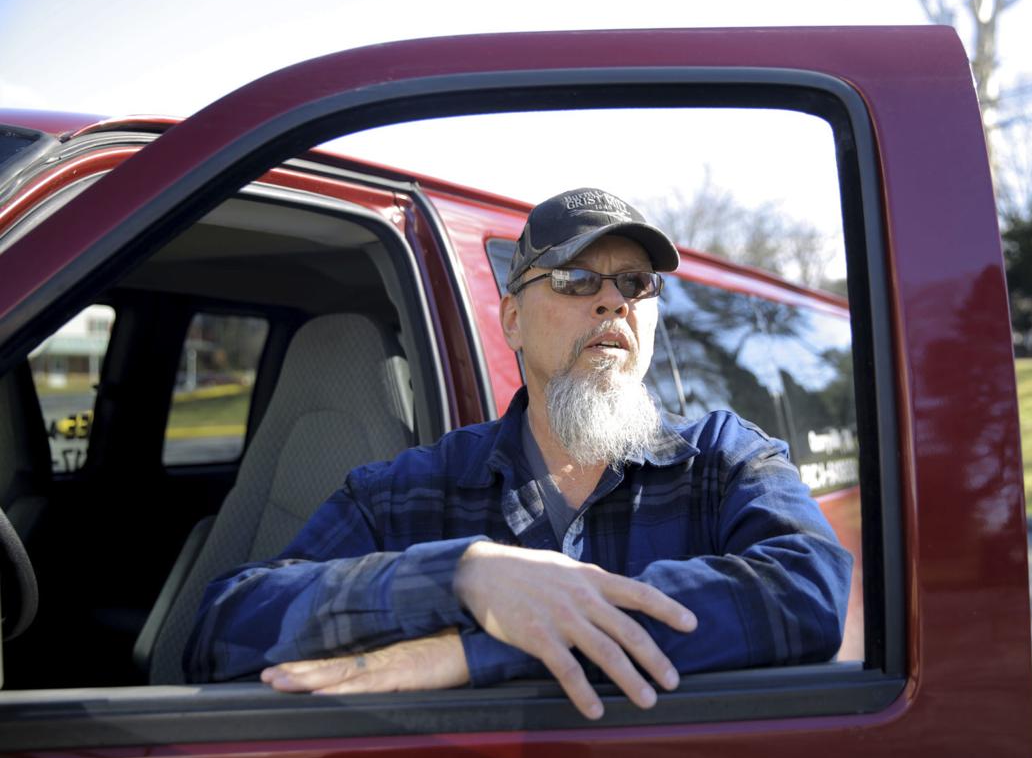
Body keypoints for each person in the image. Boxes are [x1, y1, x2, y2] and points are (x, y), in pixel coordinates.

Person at [185, 187, 853, 720]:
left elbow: (808, 593)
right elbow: (223, 631)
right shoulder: (408, 491)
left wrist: (480, 649)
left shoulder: (727, 459)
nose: (612, 301)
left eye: (635, 282)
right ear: (511, 320)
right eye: (574, 278)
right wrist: (459, 577)